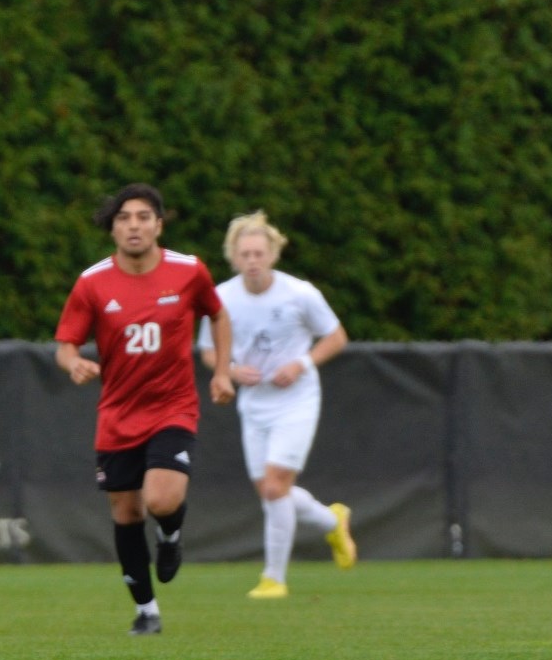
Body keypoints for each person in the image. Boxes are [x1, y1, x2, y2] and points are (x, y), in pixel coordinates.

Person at [54, 183, 233, 635]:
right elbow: (66, 345)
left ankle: (170, 534)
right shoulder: (92, 282)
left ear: (158, 225)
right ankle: (147, 610)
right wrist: (74, 363)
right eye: (124, 218)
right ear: (112, 228)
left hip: (173, 407)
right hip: (117, 414)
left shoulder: (189, 271)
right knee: (127, 514)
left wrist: (222, 371)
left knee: (161, 499)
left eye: (143, 217)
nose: (133, 226)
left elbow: (218, 314)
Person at [198, 211, 356, 597]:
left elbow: (336, 337)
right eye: (245, 254)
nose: (252, 260)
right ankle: (332, 521)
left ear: (273, 254)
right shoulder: (221, 298)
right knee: (271, 491)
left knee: (274, 488)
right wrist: (231, 370)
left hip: (297, 401)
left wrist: (301, 364)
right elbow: (207, 351)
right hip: (254, 404)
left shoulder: (300, 293)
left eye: (259, 253)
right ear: (233, 257)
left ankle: (274, 579)